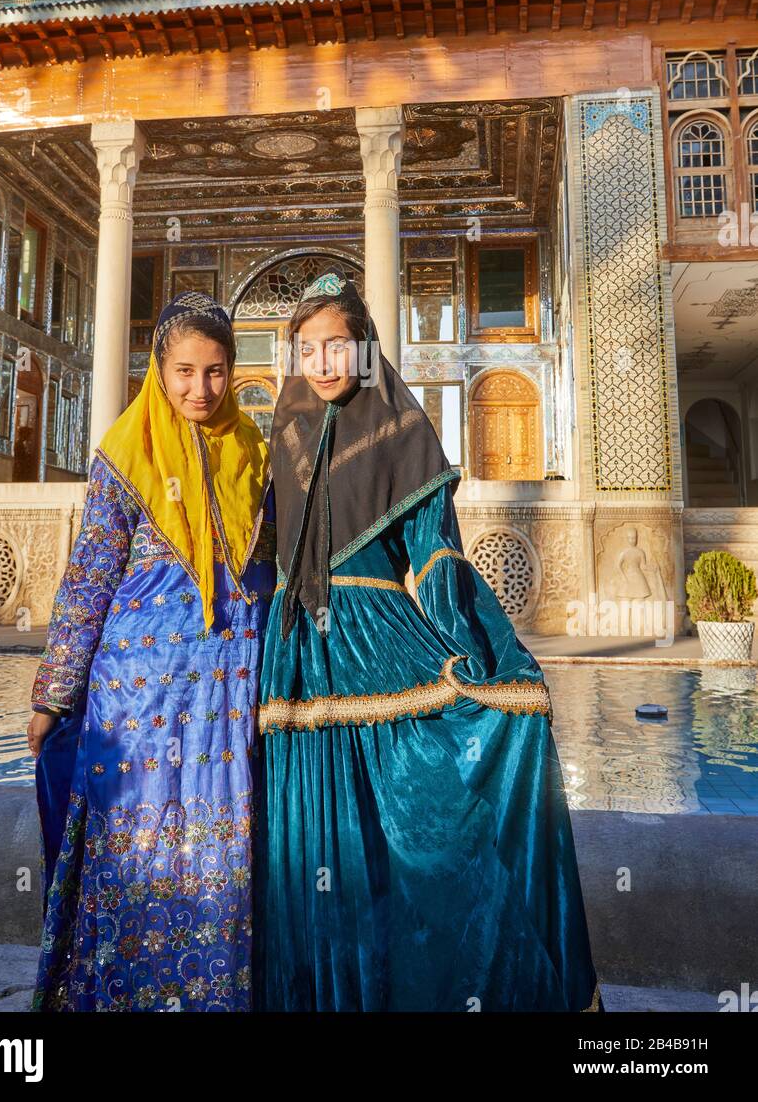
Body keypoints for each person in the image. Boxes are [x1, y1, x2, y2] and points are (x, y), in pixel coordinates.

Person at [253, 269, 602, 1013]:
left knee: (399, 825)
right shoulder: (281, 433)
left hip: (375, 646)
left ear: (366, 348)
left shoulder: (402, 428)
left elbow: (436, 553)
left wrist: (475, 649)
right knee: (307, 842)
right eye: (308, 349)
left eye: (337, 346)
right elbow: (261, 561)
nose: (322, 363)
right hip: (290, 661)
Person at [27, 291, 275, 1012]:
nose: (201, 389)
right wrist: (54, 695)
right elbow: (90, 577)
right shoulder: (125, 451)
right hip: (137, 708)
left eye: (218, 372)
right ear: (158, 372)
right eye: (185, 372)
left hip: (224, 711)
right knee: (137, 850)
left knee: (215, 854)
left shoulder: (254, 452)